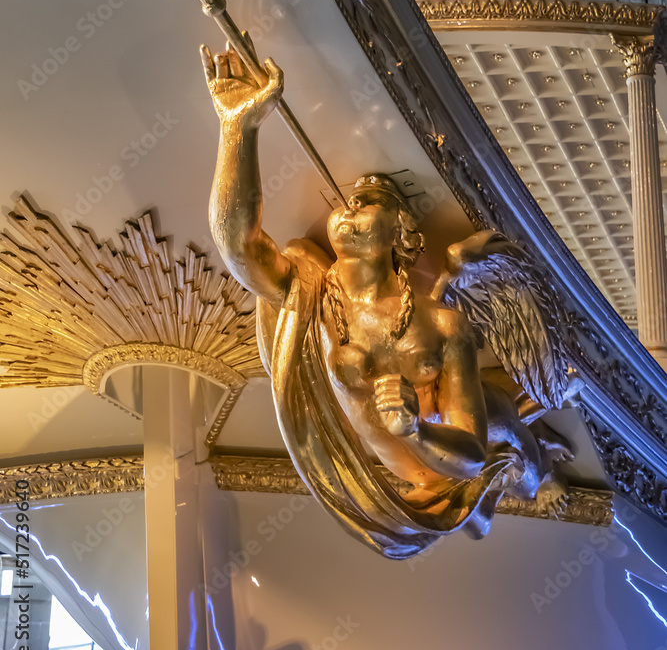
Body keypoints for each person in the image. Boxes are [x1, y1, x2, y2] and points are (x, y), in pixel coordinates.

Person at [201, 42, 549, 557]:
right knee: (472, 521)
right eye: (348, 202)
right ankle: (485, 505)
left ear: (401, 231)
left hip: (451, 434)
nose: (349, 208)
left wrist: (418, 432)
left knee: (526, 468)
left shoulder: (442, 325)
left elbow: (473, 452)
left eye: (369, 203)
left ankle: (533, 484)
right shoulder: (313, 292)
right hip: (414, 470)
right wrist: (239, 127)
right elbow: (240, 247)